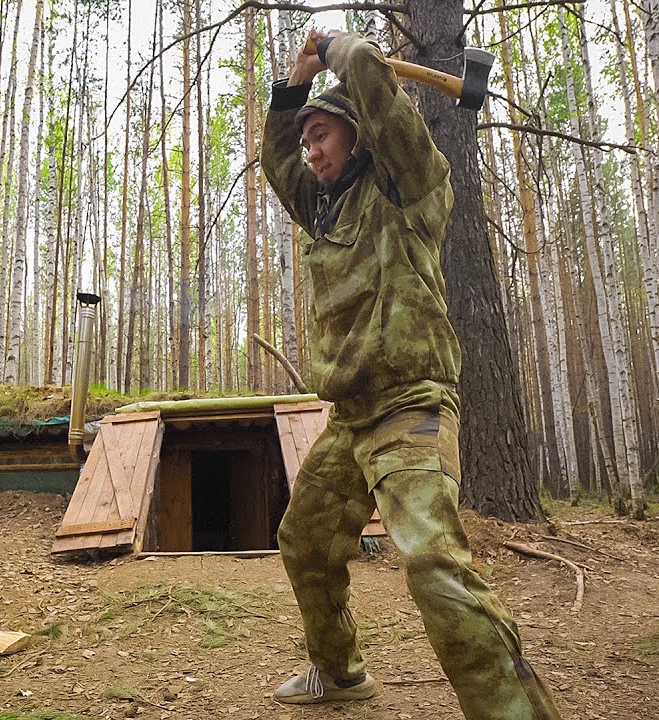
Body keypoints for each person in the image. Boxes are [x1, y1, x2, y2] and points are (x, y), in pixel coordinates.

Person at [260, 29, 562, 720]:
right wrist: (293, 86)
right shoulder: (323, 208)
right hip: (353, 416)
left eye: (324, 136)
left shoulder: (410, 188)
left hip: (411, 406)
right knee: (304, 542)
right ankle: (338, 674)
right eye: (307, 141)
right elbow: (277, 158)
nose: (311, 150)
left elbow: (372, 81)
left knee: (430, 560)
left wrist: (333, 47)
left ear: (360, 134)